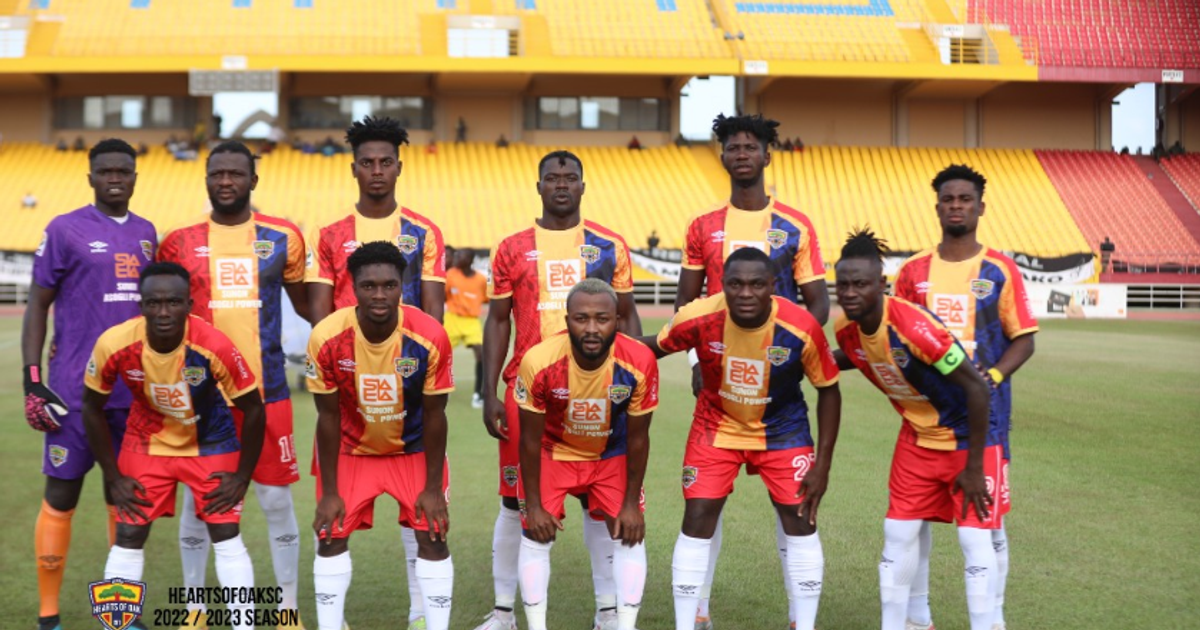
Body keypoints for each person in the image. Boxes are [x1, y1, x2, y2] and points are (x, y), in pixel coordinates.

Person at [475, 150, 641, 630]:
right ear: (539, 186)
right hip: (527, 392)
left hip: (598, 390)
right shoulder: (511, 248)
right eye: (553, 178)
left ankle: (607, 612)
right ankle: (503, 613)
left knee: (599, 500)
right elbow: (498, 320)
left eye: (570, 178)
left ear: (583, 186)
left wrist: (630, 380)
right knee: (515, 501)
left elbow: (627, 316)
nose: (562, 184)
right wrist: (489, 389)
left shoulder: (609, 245)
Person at [677, 113, 829, 630]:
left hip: (778, 391)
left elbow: (817, 303)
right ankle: (698, 610)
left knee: (794, 508)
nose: (741, 154)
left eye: (750, 147)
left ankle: (799, 618)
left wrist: (793, 353)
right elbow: (685, 306)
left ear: (767, 155)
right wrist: (697, 361)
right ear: (723, 157)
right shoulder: (702, 227)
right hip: (719, 386)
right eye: (733, 147)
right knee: (705, 504)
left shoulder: (795, 226)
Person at [639, 247, 841, 630]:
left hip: (783, 431)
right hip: (716, 426)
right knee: (698, 515)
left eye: (756, 284)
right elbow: (655, 347)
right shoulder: (698, 317)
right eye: (735, 284)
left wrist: (824, 465)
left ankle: (804, 624)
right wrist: (601, 346)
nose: (745, 293)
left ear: (773, 286)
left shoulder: (801, 327)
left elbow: (829, 390)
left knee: (800, 519)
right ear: (723, 286)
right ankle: (687, 624)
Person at [157, 140, 312, 626]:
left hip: (268, 392)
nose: (226, 181)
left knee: (276, 500)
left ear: (253, 180)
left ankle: (286, 608)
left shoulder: (283, 236)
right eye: (217, 173)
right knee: (196, 504)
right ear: (206, 179)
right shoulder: (178, 241)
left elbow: (310, 307)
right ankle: (194, 609)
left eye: (235, 173)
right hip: (199, 399)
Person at [306, 115, 446, 628]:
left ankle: (419, 613)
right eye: (368, 162)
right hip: (349, 381)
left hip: (408, 378)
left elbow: (433, 313)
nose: (377, 170)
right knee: (334, 520)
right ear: (354, 169)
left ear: (399, 167)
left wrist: (415, 367)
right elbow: (320, 315)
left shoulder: (423, 232)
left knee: (422, 517)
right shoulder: (330, 234)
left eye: (386, 161)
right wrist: (347, 364)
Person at [832, 228, 1004, 630]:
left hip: (967, 436)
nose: (851, 293)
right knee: (897, 532)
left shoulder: (912, 327)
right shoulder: (846, 330)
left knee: (973, 538)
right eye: (843, 285)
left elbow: (977, 388)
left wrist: (975, 467)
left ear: (881, 284)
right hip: (917, 437)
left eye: (861, 284)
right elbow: (856, 354)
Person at [892, 165, 1038, 630]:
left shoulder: (1000, 270)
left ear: (980, 207)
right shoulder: (912, 272)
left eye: (965, 199)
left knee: (986, 523)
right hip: (926, 419)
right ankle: (917, 616)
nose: (956, 205)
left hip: (984, 421)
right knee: (914, 522)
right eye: (949, 199)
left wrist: (990, 376)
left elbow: (1024, 340)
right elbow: (895, 339)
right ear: (937, 207)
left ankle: (993, 619)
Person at [83, 261, 266, 630]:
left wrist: (242, 477)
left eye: (173, 302)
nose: (164, 312)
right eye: (154, 303)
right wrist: (113, 476)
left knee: (225, 533)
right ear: (141, 305)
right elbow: (90, 407)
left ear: (189, 305)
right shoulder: (114, 343)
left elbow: (254, 409)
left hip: (211, 442)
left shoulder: (214, 344)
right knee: (129, 532)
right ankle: (118, 625)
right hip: (146, 443)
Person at [21, 138, 158, 630]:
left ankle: (119, 615)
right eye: (105, 171)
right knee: (61, 496)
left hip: (133, 394)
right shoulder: (64, 229)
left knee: (125, 500)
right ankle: (49, 615)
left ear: (135, 177)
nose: (114, 178)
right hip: (75, 393)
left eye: (123, 170)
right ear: (91, 177)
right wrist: (32, 380)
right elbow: (37, 304)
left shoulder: (147, 233)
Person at [517, 279, 657, 630]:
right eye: (581, 318)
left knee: (629, 532)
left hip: (612, 453)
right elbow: (529, 441)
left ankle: (623, 625)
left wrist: (631, 504)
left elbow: (639, 438)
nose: (592, 328)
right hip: (553, 451)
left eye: (602, 318)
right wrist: (533, 506)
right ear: (567, 321)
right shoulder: (539, 360)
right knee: (535, 535)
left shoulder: (639, 360)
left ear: (618, 320)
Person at [444, 246, 488, 408]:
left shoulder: (481, 280)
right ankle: (442, 388)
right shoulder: (450, 274)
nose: (456, 258)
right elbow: (443, 295)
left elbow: (487, 298)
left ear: (470, 260)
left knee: (481, 354)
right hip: (452, 319)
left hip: (471, 321)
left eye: (460, 256)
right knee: (440, 354)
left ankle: (478, 395)